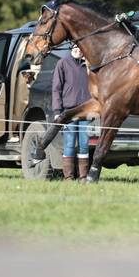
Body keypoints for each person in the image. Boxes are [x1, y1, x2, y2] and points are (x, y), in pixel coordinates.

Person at [52, 44, 91, 180]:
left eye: (81, 47)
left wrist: (88, 67)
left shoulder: (88, 64)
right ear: (71, 47)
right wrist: (58, 111)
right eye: (75, 46)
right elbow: (56, 89)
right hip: (68, 112)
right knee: (69, 144)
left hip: (86, 112)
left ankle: (83, 177)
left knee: (84, 145)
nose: (78, 49)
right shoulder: (62, 63)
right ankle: (68, 177)